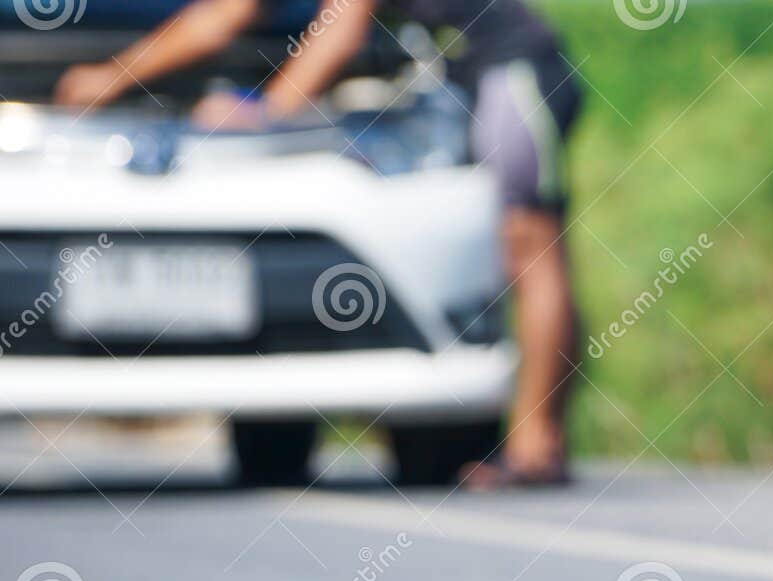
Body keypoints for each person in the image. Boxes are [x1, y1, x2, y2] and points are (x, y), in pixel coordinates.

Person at [55, 0, 582, 487]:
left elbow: (341, 29)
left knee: (529, 248)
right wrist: (115, 75)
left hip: (513, 73)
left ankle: (536, 446)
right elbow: (218, 17)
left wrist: (264, 116)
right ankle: (538, 441)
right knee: (528, 249)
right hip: (478, 79)